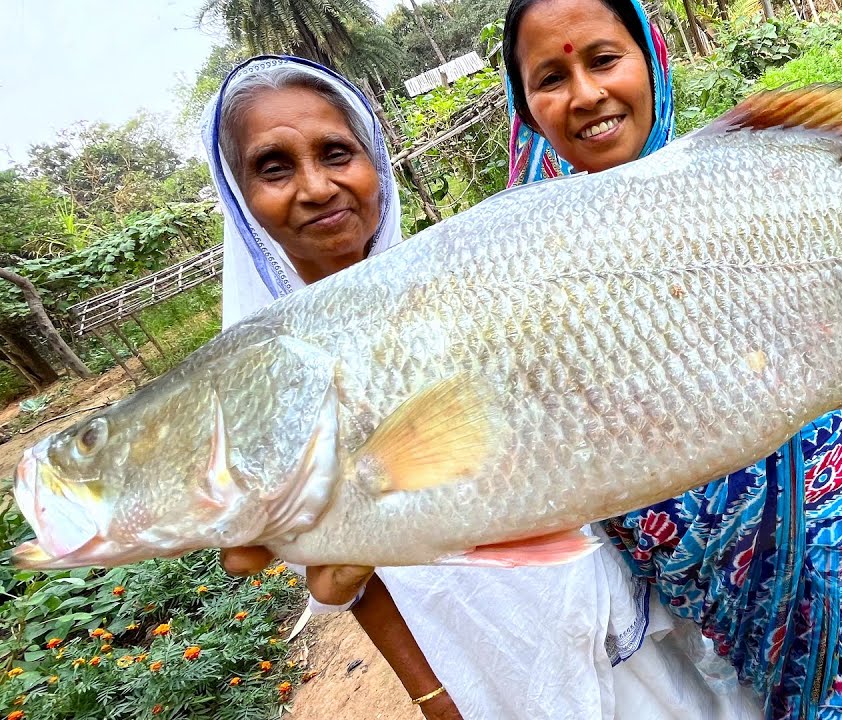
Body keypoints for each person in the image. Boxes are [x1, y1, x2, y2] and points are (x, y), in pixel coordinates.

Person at [204, 54, 766, 720]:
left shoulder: (472, 282)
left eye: (337, 153)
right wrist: (435, 696)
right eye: (274, 167)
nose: (317, 186)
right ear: (240, 197)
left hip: (602, 603)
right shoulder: (249, 396)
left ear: (375, 164)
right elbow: (354, 589)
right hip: (486, 662)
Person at [503, 0, 842, 717]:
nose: (586, 94)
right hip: (712, 612)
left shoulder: (760, 182)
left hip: (833, 565)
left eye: (602, 59)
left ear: (651, 57)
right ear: (526, 107)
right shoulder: (515, 266)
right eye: (550, 78)